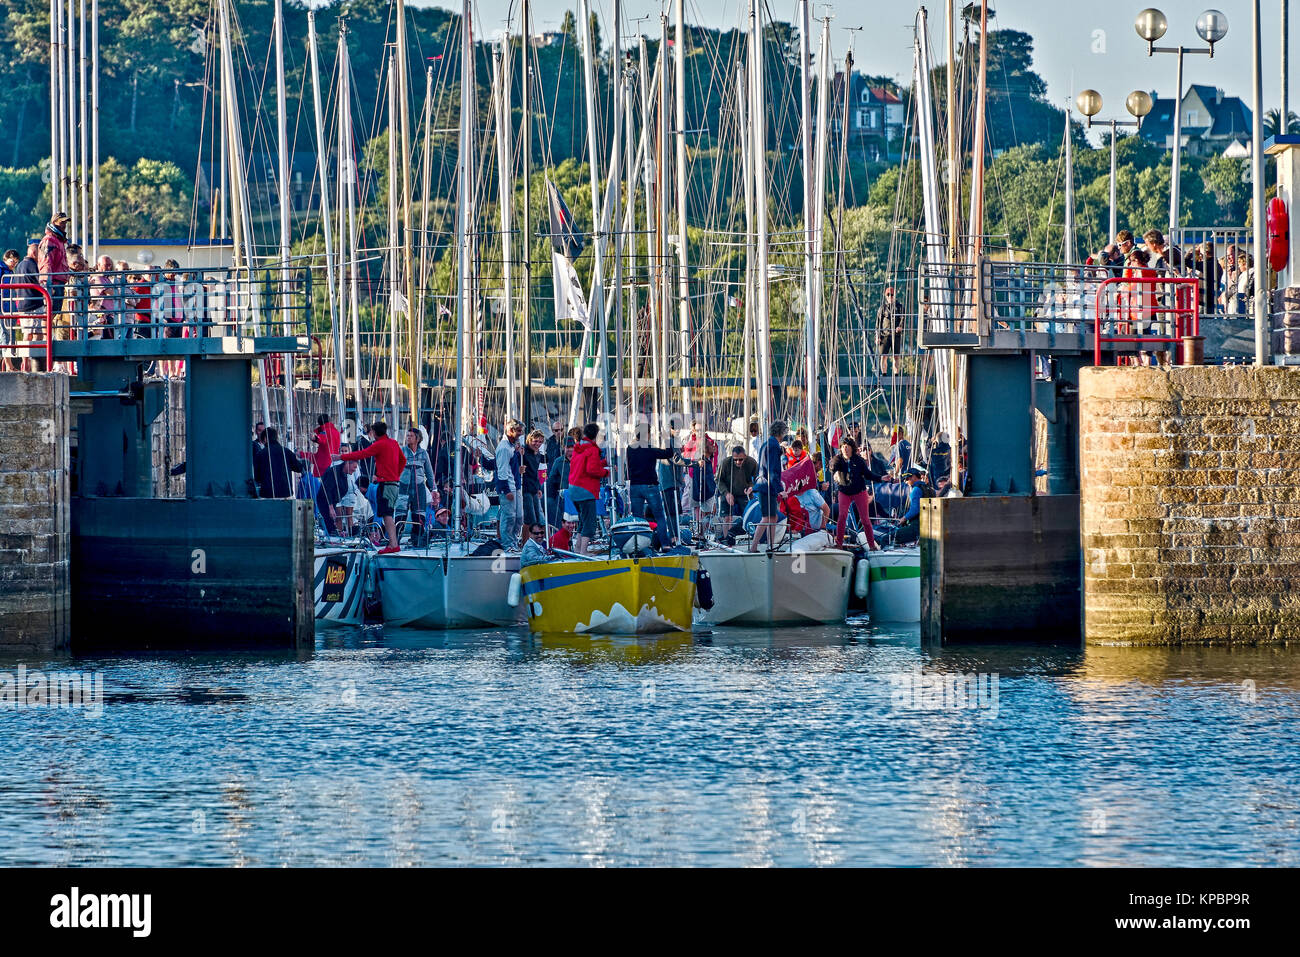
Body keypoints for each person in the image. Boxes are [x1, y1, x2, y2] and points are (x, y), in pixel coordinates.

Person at [338, 421, 403, 553]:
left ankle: (393, 544)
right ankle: (393, 543)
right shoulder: (394, 443)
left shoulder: (379, 444)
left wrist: (341, 457)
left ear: (374, 432)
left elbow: (361, 454)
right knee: (388, 513)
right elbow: (403, 461)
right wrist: (396, 474)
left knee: (387, 514)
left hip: (386, 483)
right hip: (394, 483)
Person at [624, 431, 679, 548]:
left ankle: (640, 546)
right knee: (659, 516)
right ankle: (665, 545)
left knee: (638, 518)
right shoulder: (650, 449)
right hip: (650, 485)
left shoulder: (629, 449)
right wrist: (667, 438)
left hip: (635, 486)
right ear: (647, 434)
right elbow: (668, 453)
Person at [829, 436, 879, 549]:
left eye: (847, 447)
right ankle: (839, 544)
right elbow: (832, 466)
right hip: (844, 491)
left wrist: (881, 478)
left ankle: (872, 546)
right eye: (843, 447)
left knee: (865, 519)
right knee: (842, 516)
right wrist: (832, 467)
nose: (845, 449)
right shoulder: (838, 459)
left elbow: (868, 475)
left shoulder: (859, 460)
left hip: (859, 492)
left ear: (852, 448)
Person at [568, 422, 608, 553]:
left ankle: (578, 549)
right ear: (595, 435)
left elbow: (585, 464)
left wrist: (603, 462)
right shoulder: (593, 449)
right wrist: (606, 472)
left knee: (583, 521)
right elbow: (592, 469)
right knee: (590, 523)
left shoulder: (578, 447)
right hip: (586, 490)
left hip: (574, 489)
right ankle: (584, 552)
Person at [751, 420, 787, 552]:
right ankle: (753, 547)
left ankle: (770, 546)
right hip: (767, 486)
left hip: (762, 485)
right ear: (781, 433)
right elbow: (773, 470)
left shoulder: (766, 444)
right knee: (767, 517)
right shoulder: (774, 446)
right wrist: (780, 490)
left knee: (773, 517)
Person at [399, 426, 436, 547]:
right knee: (400, 516)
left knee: (419, 517)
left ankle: (418, 542)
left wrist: (434, 489)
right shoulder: (402, 451)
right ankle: (395, 541)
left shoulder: (423, 453)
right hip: (403, 488)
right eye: (407, 436)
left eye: (411, 436)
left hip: (419, 489)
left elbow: (429, 473)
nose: (408, 438)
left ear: (418, 439)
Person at [495, 419, 525, 549]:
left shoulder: (512, 446)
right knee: (509, 518)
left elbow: (510, 467)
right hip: (508, 488)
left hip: (516, 486)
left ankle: (513, 541)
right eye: (518, 431)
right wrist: (506, 490)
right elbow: (501, 471)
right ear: (511, 430)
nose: (520, 434)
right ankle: (507, 544)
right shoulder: (503, 448)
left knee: (519, 517)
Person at [253, 426, 306, 499]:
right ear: (276, 438)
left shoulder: (260, 454)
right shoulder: (287, 452)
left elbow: (257, 478)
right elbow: (299, 468)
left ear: (265, 438)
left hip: (267, 494)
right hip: (286, 493)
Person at [38, 212, 70, 320]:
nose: (64, 224)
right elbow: (46, 263)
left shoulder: (58, 240)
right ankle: (46, 336)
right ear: (54, 222)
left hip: (58, 282)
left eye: (65, 222)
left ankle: (48, 336)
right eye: (62, 222)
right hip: (53, 284)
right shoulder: (49, 240)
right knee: (49, 314)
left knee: (53, 313)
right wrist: (47, 285)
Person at [716, 445, 757, 526]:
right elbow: (719, 480)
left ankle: (746, 536)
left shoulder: (752, 462)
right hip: (728, 491)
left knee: (748, 517)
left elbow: (757, 478)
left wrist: (752, 487)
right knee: (727, 518)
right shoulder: (725, 463)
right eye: (735, 460)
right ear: (732, 457)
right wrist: (726, 493)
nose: (738, 462)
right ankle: (727, 537)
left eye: (740, 459)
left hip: (745, 493)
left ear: (745, 456)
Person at [316, 459, 358, 537]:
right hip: (325, 501)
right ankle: (331, 537)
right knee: (329, 521)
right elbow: (327, 489)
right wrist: (331, 507)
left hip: (334, 501)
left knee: (333, 520)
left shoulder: (344, 473)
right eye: (354, 467)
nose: (355, 470)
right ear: (347, 463)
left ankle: (334, 535)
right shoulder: (334, 471)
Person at [521, 429, 546, 542]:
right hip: (525, 488)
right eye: (535, 441)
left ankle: (537, 542)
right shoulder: (523, 452)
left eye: (540, 442)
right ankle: (525, 543)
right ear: (529, 440)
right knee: (529, 518)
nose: (537, 444)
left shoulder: (538, 454)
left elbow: (535, 472)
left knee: (539, 519)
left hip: (534, 488)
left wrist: (538, 488)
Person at [546, 436, 574, 530]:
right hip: (564, 495)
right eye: (567, 447)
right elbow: (551, 479)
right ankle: (561, 530)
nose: (570, 449)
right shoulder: (558, 461)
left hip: (578, 493)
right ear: (563, 448)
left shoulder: (580, 459)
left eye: (572, 447)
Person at [894, 467, 928, 545]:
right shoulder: (929, 488)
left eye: (907, 478)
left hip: (917, 526)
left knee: (888, 537)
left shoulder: (916, 490)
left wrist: (904, 518)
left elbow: (915, 509)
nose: (906, 481)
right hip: (927, 526)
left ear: (914, 477)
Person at [876, 286, 903, 375]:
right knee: (883, 356)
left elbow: (902, 319)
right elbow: (878, 323)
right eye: (888, 295)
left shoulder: (900, 307)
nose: (890, 297)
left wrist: (900, 327)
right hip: (884, 335)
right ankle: (884, 374)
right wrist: (877, 336)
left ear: (894, 295)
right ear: (885, 296)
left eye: (892, 295)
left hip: (896, 335)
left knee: (896, 356)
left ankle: (896, 374)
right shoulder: (882, 308)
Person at [309, 413, 341, 478]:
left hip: (324, 463)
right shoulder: (336, 431)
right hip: (334, 460)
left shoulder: (325, 431)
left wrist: (315, 438)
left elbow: (322, 439)